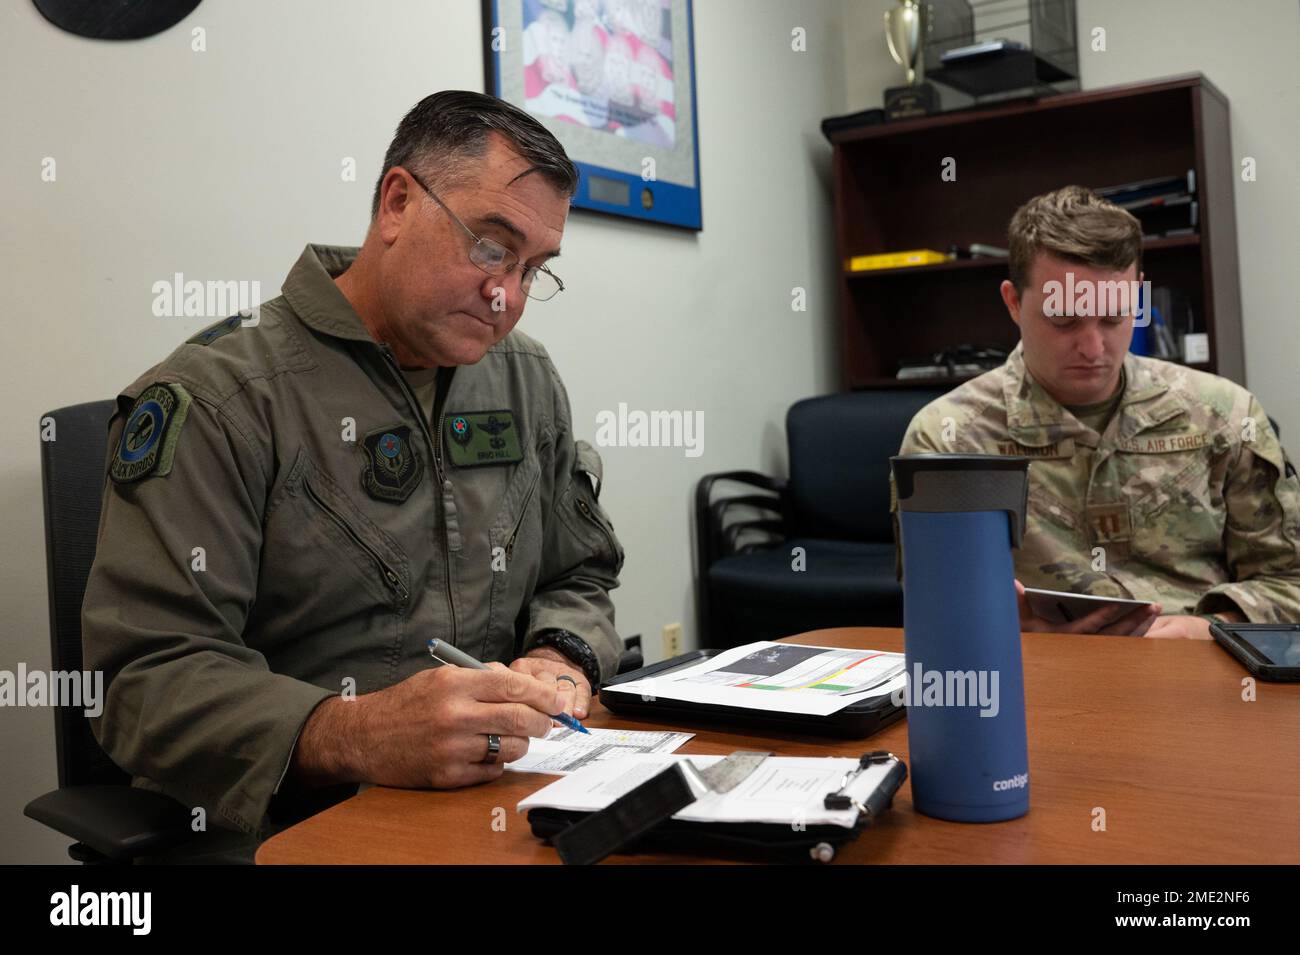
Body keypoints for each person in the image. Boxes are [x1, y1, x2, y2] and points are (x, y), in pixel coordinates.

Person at [82, 91, 625, 862]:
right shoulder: (221, 399)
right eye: (490, 248)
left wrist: (563, 654)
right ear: (398, 202)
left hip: (510, 801)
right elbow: (144, 679)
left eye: (534, 269)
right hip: (292, 825)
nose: (507, 295)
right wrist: (353, 731)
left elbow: (581, 572)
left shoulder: (524, 380)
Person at [897, 185, 1300, 638]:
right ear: (1013, 302)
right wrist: (1010, 633)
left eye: (1113, 317)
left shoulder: (1224, 415)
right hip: (1033, 681)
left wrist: (1209, 630)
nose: (1093, 348)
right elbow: (935, 613)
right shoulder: (948, 439)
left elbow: (1290, 582)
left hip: (1199, 674)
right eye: (1064, 320)